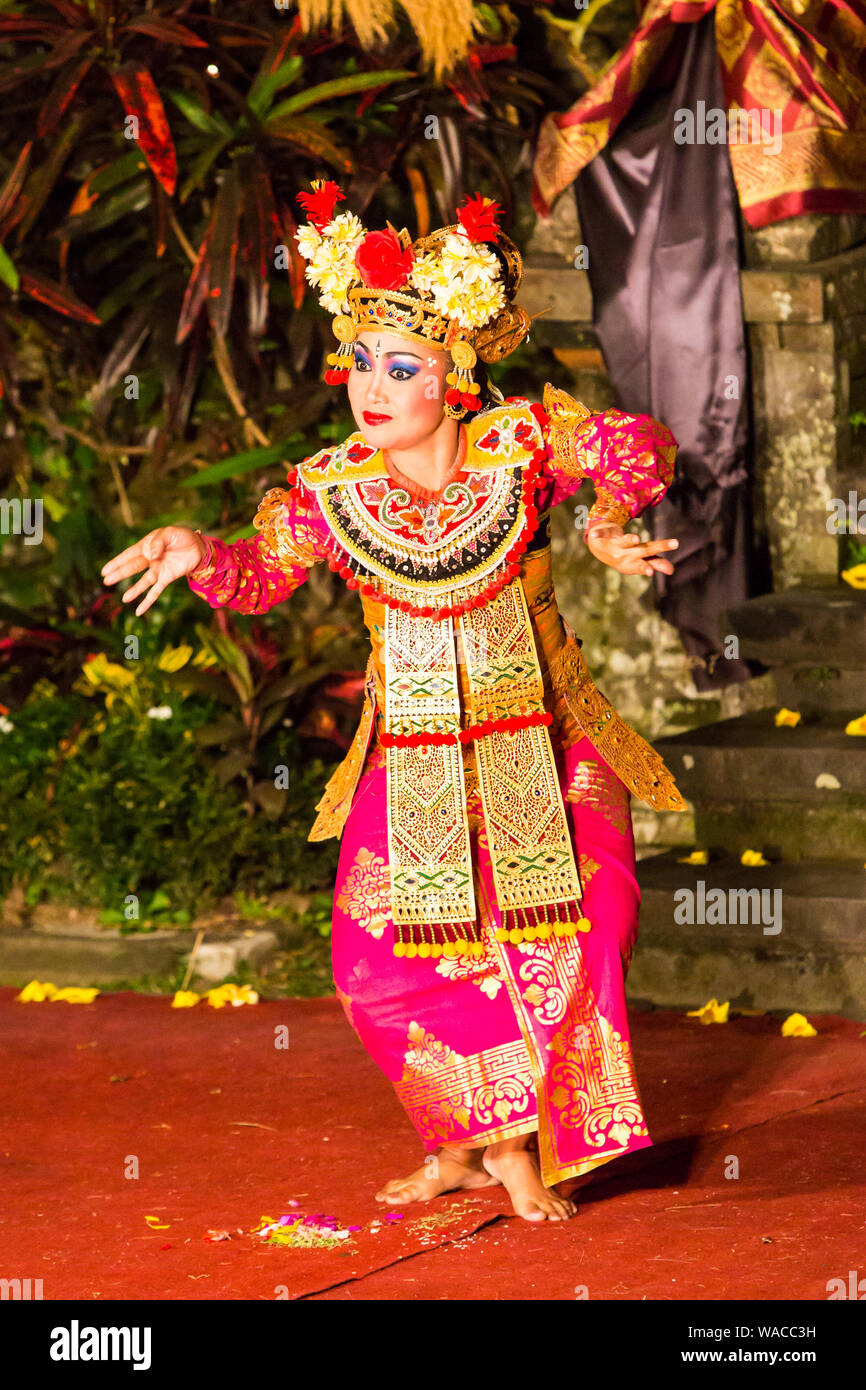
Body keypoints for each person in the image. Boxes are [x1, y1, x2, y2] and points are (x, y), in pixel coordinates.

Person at [101, 181, 685, 1223]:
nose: (372, 387)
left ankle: (529, 1138)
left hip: (548, 745)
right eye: (360, 363)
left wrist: (606, 516)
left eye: (400, 366)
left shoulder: (521, 447)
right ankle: (479, 1145)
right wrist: (197, 551)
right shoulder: (329, 492)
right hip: (413, 761)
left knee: (586, 926)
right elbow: (254, 573)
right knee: (373, 962)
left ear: (453, 375)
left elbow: (637, 447)